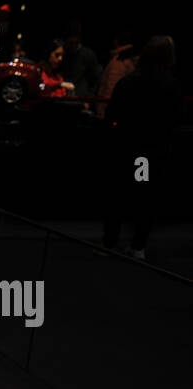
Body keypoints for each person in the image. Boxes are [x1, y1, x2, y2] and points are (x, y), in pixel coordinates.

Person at [102, 36, 180, 260]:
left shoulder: (128, 83)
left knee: (117, 195)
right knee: (145, 196)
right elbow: (174, 120)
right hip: (151, 152)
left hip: (125, 148)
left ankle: (109, 242)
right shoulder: (171, 85)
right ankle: (138, 245)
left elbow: (112, 116)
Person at [62, 21, 101, 98]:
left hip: (80, 98)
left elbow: (95, 79)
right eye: (70, 39)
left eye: (75, 37)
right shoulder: (62, 53)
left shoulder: (88, 54)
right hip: (62, 97)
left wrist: (89, 98)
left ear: (79, 38)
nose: (72, 42)